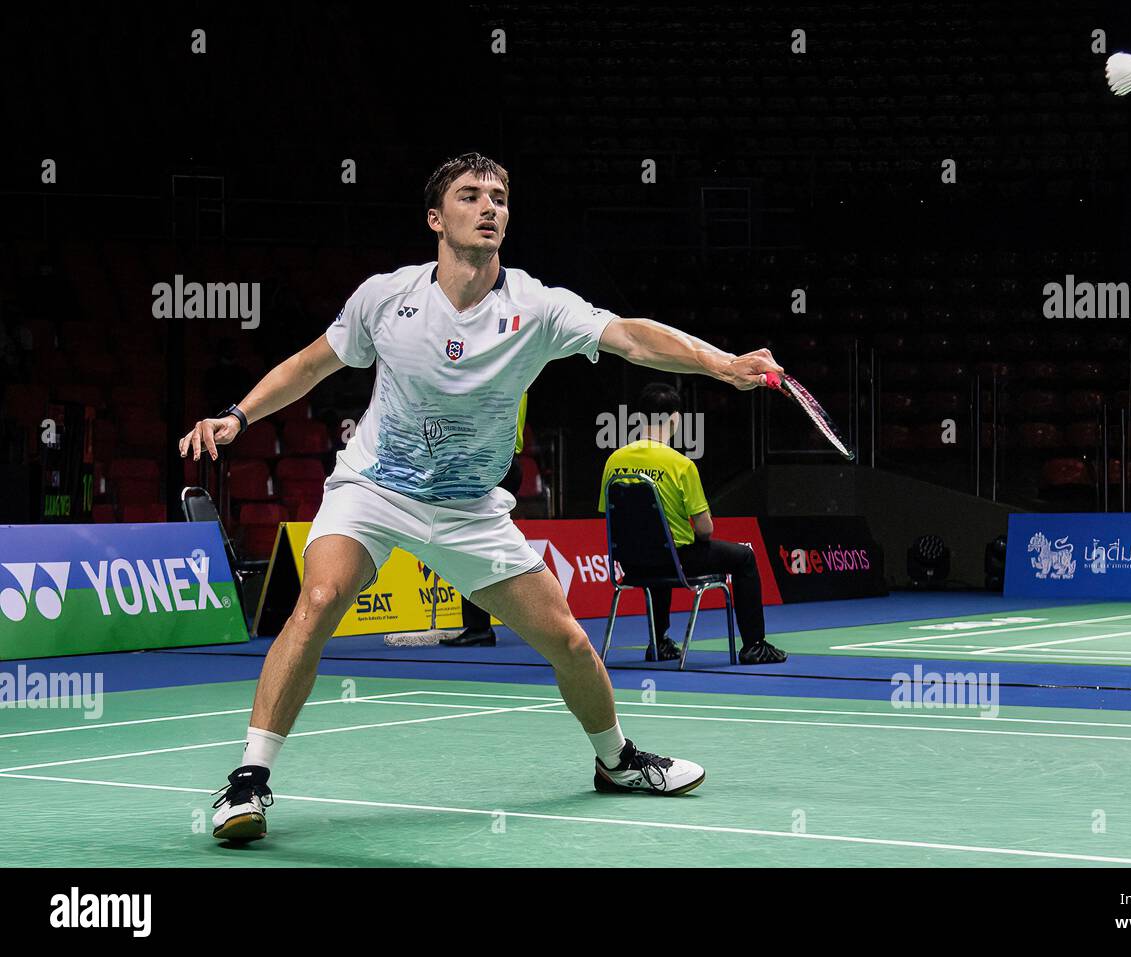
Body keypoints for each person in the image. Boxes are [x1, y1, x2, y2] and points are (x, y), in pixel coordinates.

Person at [178, 153, 784, 842]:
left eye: (499, 196)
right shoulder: (387, 297)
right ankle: (249, 779)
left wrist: (722, 363)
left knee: (569, 642)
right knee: (316, 602)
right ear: (437, 218)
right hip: (375, 489)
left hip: (470, 507)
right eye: (470, 196)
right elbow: (312, 364)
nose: (490, 206)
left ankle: (616, 760)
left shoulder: (536, 307)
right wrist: (239, 415)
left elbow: (630, 337)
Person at [598, 383, 788, 665]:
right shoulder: (681, 464)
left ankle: (659, 642)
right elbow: (705, 529)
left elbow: (608, 515)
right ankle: (754, 646)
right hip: (678, 562)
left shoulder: (614, 460)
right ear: (675, 419)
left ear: (638, 417)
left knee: (657, 546)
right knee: (744, 557)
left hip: (632, 564)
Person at [441, 392, 527, 647]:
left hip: (491, 463)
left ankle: (479, 627)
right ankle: (497, 622)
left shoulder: (501, 377)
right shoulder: (518, 372)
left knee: (468, 542)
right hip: (503, 462)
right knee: (486, 543)